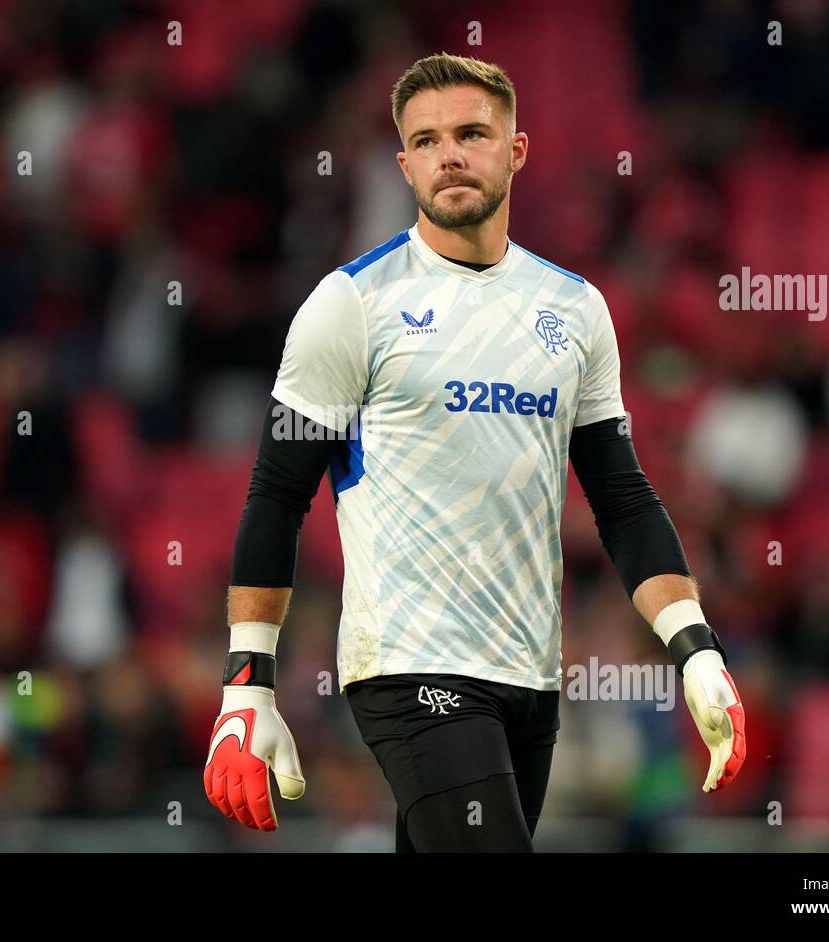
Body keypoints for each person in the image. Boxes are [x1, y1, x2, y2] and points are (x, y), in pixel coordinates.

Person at [203, 53, 746, 852]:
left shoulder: (575, 311)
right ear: (404, 164)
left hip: (529, 678)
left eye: (470, 133)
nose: (448, 154)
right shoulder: (350, 304)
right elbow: (277, 495)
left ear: (516, 150)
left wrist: (696, 650)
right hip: (409, 665)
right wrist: (247, 688)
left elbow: (622, 497)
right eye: (425, 141)